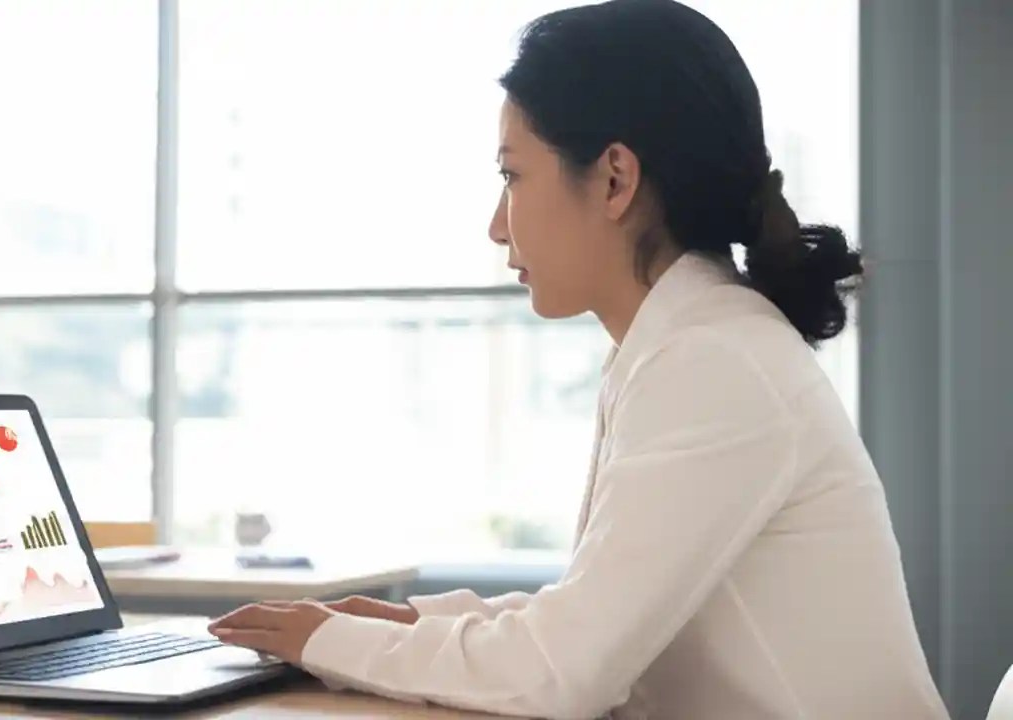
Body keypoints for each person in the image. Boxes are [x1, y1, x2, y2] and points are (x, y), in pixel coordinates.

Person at [208, 1, 949, 717]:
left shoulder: (715, 361)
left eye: (512, 176)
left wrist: (338, 641)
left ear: (615, 179)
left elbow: (565, 674)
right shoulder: (692, 340)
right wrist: (408, 627)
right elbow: (595, 619)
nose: (497, 227)